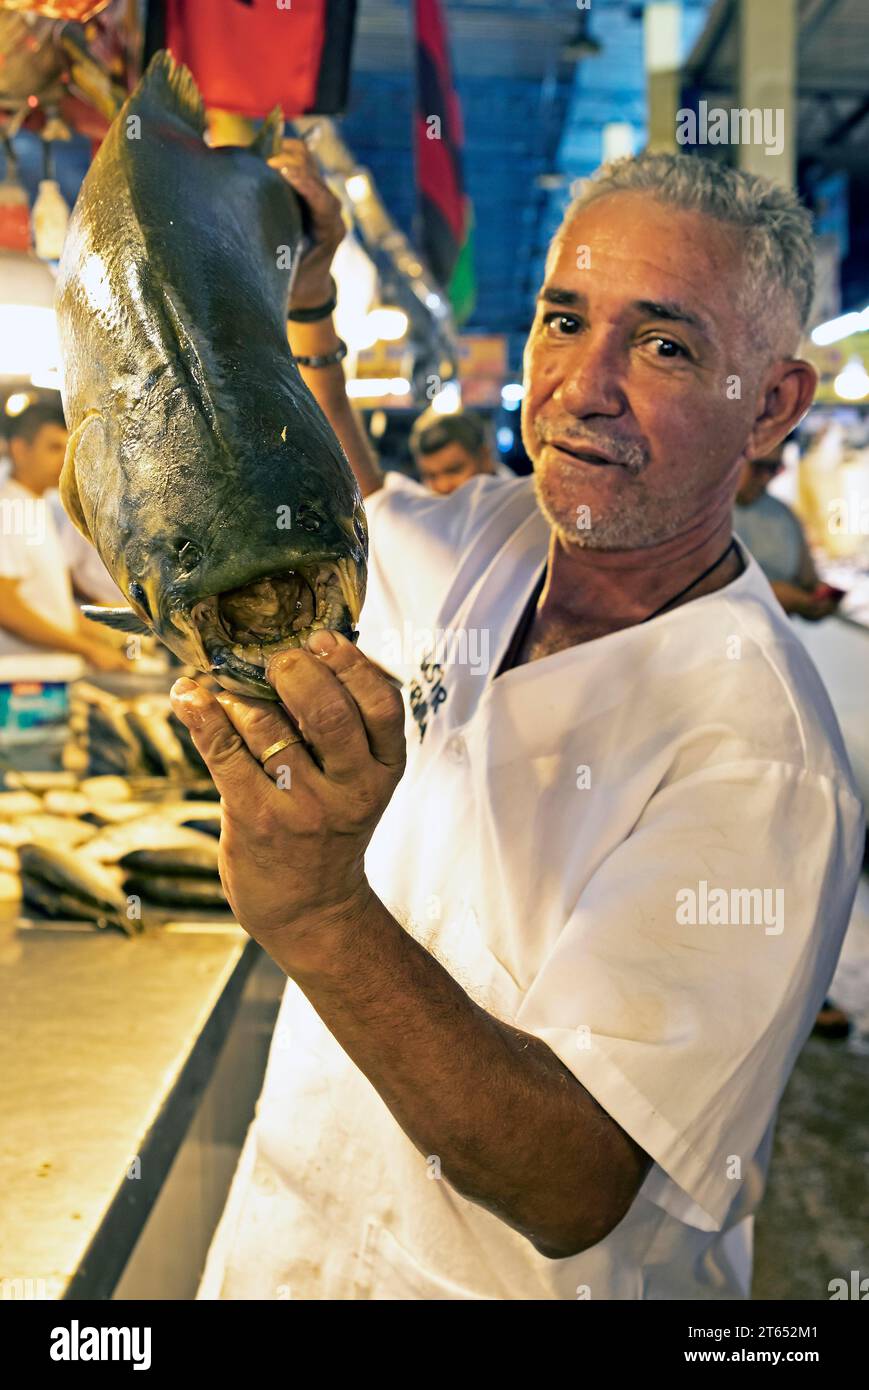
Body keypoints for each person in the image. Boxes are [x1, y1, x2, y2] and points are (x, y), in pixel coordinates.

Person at [170, 147, 864, 1301]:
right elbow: (355, 508)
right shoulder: (499, 537)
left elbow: (571, 1182)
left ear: (770, 408)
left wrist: (318, 912)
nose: (581, 387)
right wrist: (309, 306)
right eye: (560, 321)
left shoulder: (756, 757)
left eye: (662, 345)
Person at [0, 403, 127, 670]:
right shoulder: (8, 510)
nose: (64, 460)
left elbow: (46, 605)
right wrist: (88, 649)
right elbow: (5, 606)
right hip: (21, 685)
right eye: (53, 448)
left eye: (66, 448)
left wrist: (100, 633)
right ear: (20, 450)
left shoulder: (35, 505)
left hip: (51, 678)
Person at [733, 440, 839, 620]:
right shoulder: (700, 516)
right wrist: (768, 595)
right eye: (759, 467)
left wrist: (818, 601)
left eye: (775, 469)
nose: (766, 478)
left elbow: (809, 580)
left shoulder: (785, 516)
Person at [408, 407, 509, 495]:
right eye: (431, 476)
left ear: (485, 458)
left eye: (454, 470)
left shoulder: (521, 509)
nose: (443, 486)